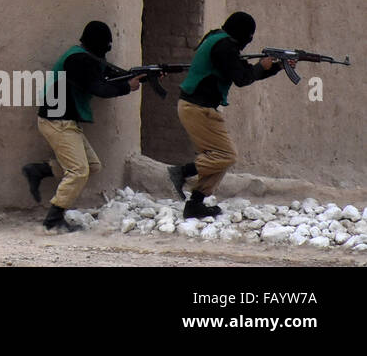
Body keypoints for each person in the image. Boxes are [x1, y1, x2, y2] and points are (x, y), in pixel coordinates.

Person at [21, 21, 142, 232]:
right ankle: (53, 219)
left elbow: (105, 76)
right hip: (57, 121)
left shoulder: (84, 57)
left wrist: (137, 76)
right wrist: (127, 86)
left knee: (92, 166)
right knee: (78, 171)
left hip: (65, 121)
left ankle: (39, 170)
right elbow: (99, 88)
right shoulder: (78, 60)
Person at [168, 12, 280, 219]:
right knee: (225, 156)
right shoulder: (225, 47)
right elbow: (242, 78)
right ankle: (183, 171)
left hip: (197, 107)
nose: (250, 41)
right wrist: (262, 66)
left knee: (217, 154)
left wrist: (276, 67)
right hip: (197, 109)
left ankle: (196, 204)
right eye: (249, 36)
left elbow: (242, 70)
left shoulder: (218, 40)